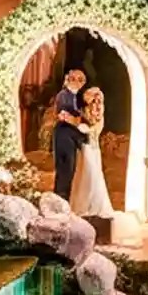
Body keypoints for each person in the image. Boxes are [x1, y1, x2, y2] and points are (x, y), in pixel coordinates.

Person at [70, 86, 115, 217]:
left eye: (98, 101)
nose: (96, 104)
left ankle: (94, 205)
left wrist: (84, 128)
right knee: (83, 174)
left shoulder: (99, 116)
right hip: (84, 148)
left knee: (93, 175)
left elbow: (94, 131)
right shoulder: (83, 113)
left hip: (93, 149)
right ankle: (82, 205)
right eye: (93, 101)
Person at [51, 69, 86, 199]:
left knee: (69, 169)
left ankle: (64, 198)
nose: (80, 83)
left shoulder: (74, 96)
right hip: (63, 136)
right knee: (65, 168)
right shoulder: (63, 95)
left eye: (82, 80)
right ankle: (60, 199)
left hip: (70, 137)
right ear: (70, 80)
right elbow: (63, 115)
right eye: (78, 79)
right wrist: (80, 121)